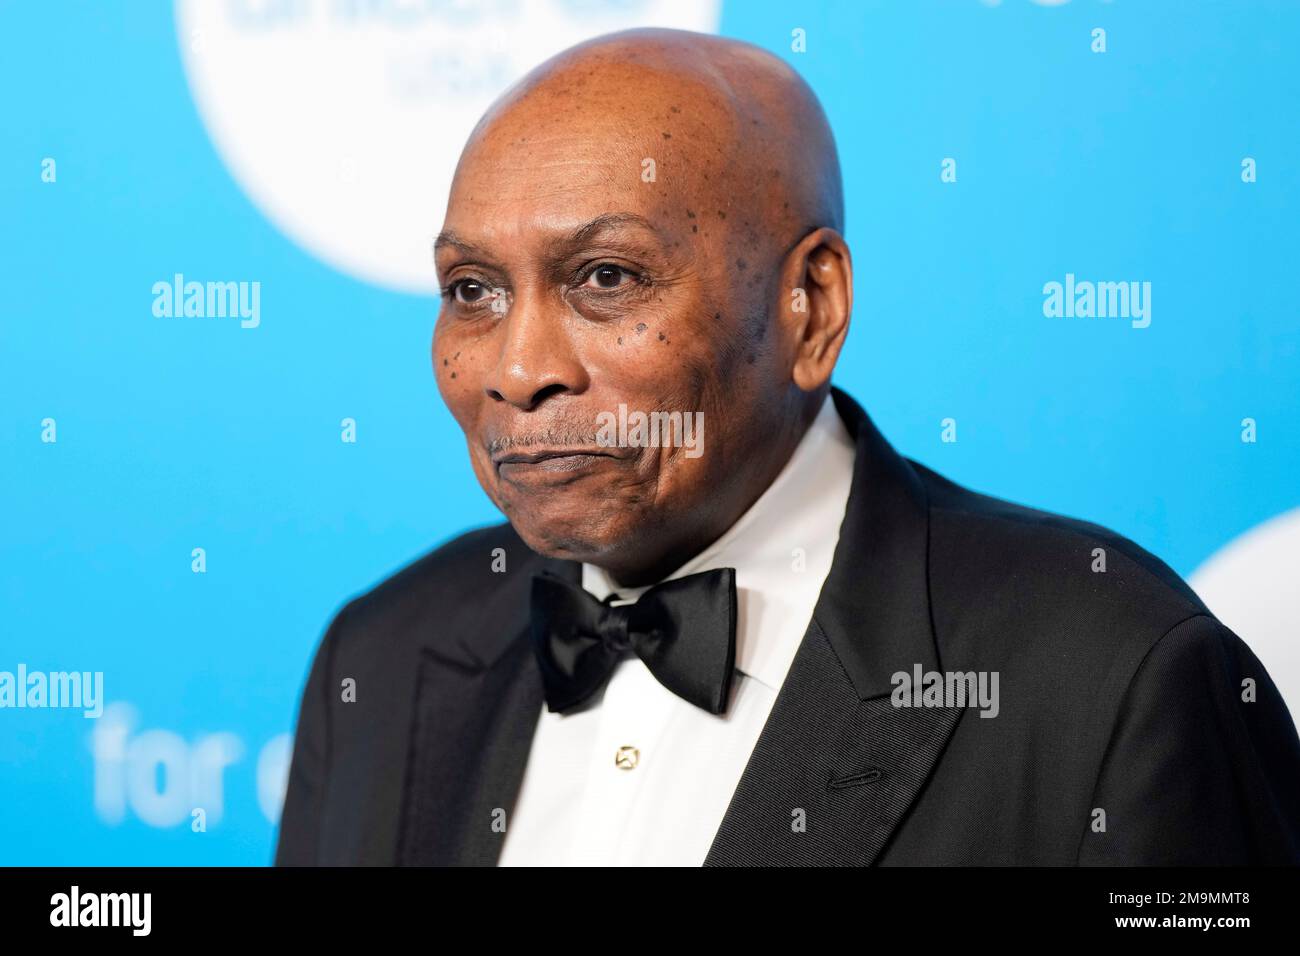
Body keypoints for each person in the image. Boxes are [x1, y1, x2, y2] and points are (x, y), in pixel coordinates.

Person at [275, 28, 1300, 866]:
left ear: (810, 308)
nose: (516, 367)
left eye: (605, 278)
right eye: (472, 291)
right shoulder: (380, 657)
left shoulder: (1112, 678)